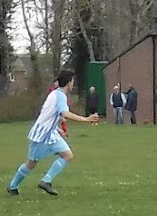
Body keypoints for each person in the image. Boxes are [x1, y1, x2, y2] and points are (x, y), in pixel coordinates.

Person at [8, 67, 103, 196]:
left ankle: (46, 181)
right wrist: (86, 119)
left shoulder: (56, 94)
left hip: (51, 133)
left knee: (68, 155)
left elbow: (51, 114)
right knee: (31, 163)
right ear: (69, 82)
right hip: (41, 135)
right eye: (73, 80)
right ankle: (13, 186)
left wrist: (57, 129)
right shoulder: (59, 96)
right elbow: (64, 113)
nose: (73, 83)